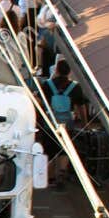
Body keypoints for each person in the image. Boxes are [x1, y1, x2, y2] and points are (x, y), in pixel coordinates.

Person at [39, 60, 88, 188]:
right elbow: (81, 107)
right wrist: (84, 122)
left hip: (50, 122)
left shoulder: (47, 85)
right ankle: (61, 174)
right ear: (69, 72)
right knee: (64, 149)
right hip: (67, 122)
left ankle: (49, 178)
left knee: (49, 150)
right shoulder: (75, 87)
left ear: (56, 70)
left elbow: (39, 102)